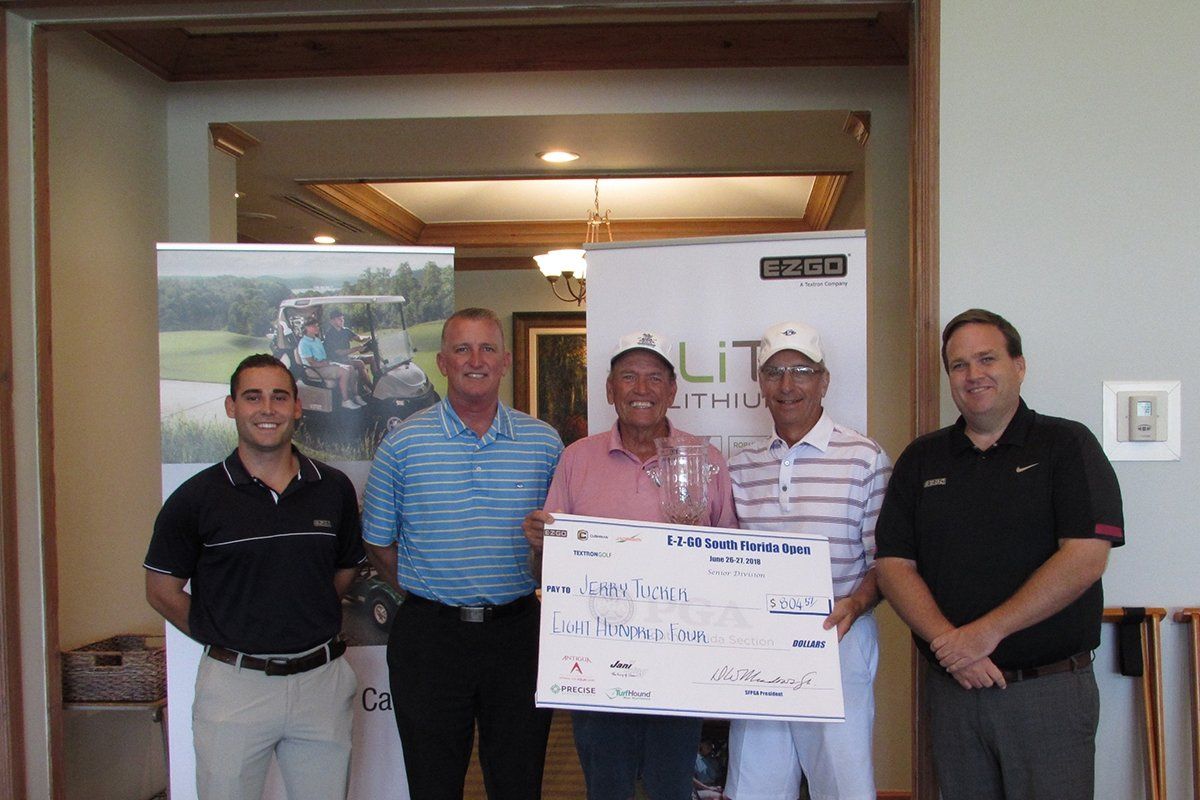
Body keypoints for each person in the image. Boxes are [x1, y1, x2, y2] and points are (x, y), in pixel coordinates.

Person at [875, 308, 1124, 800]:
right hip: (955, 691)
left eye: (986, 359)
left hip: (1047, 693)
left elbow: (1085, 558)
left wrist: (984, 635)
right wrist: (952, 645)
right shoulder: (922, 459)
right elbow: (892, 565)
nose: (973, 375)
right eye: (959, 365)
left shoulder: (1067, 444)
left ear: (1019, 366)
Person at [524, 330, 737, 800]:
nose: (642, 389)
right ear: (609, 390)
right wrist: (542, 545)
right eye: (629, 377)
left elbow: (731, 564)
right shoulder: (577, 459)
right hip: (600, 660)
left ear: (672, 390)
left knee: (671, 787)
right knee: (608, 786)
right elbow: (549, 571)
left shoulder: (707, 461)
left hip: (680, 657)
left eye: (654, 377)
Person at [361, 307, 563, 800]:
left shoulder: (544, 443)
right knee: (433, 783)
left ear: (506, 361)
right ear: (442, 362)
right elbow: (378, 541)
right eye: (462, 348)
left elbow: (562, 541)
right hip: (431, 639)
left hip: (519, 637)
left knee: (518, 783)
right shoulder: (402, 443)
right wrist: (428, 588)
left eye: (487, 348)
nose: (476, 360)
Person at [144, 353, 365, 800]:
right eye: (253, 397)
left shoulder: (333, 487)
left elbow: (345, 570)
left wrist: (301, 615)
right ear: (231, 407)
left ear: (297, 407)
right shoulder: (196, 498)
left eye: (279, 397)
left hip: (320, 683)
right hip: (233, 688)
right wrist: (225, 633)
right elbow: (162, 590)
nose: (268, 409)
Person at [723, 321, 891, 800]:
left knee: (843, 786)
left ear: (824, 380)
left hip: (836, 639)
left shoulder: (865, 458)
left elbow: (886, 563)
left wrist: (855, 606)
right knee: (753, 787)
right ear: (760, 383)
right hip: (759, 647)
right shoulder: (741, 465)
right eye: (775, 371)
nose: (788, 384)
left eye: (801, 370)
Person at [297, 315, 363, 410]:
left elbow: (324, 355)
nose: (317, 328)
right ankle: (345, 400)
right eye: (314, 326)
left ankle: (355, 396)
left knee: (350, 368)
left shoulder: (316, 340)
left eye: (317, 325)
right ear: (306, 328)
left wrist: (331, 362)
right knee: (344, 371)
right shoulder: (304, 343)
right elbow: (312, 363)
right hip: (314, 369)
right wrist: (327, 364)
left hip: (323, 365)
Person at [324, 308, 372, 386]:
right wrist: (356, 348)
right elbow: (339, 352)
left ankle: (378, 383)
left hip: (347, 358)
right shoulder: (330, 335)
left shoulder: (345, 330)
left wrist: (370, 337)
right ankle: (371, 388)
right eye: (339, 319)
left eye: (342, 318)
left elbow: (359, 338)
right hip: (337, 360)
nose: (342, 320)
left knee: (372, 358)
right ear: (332, 321)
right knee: (360, 363)